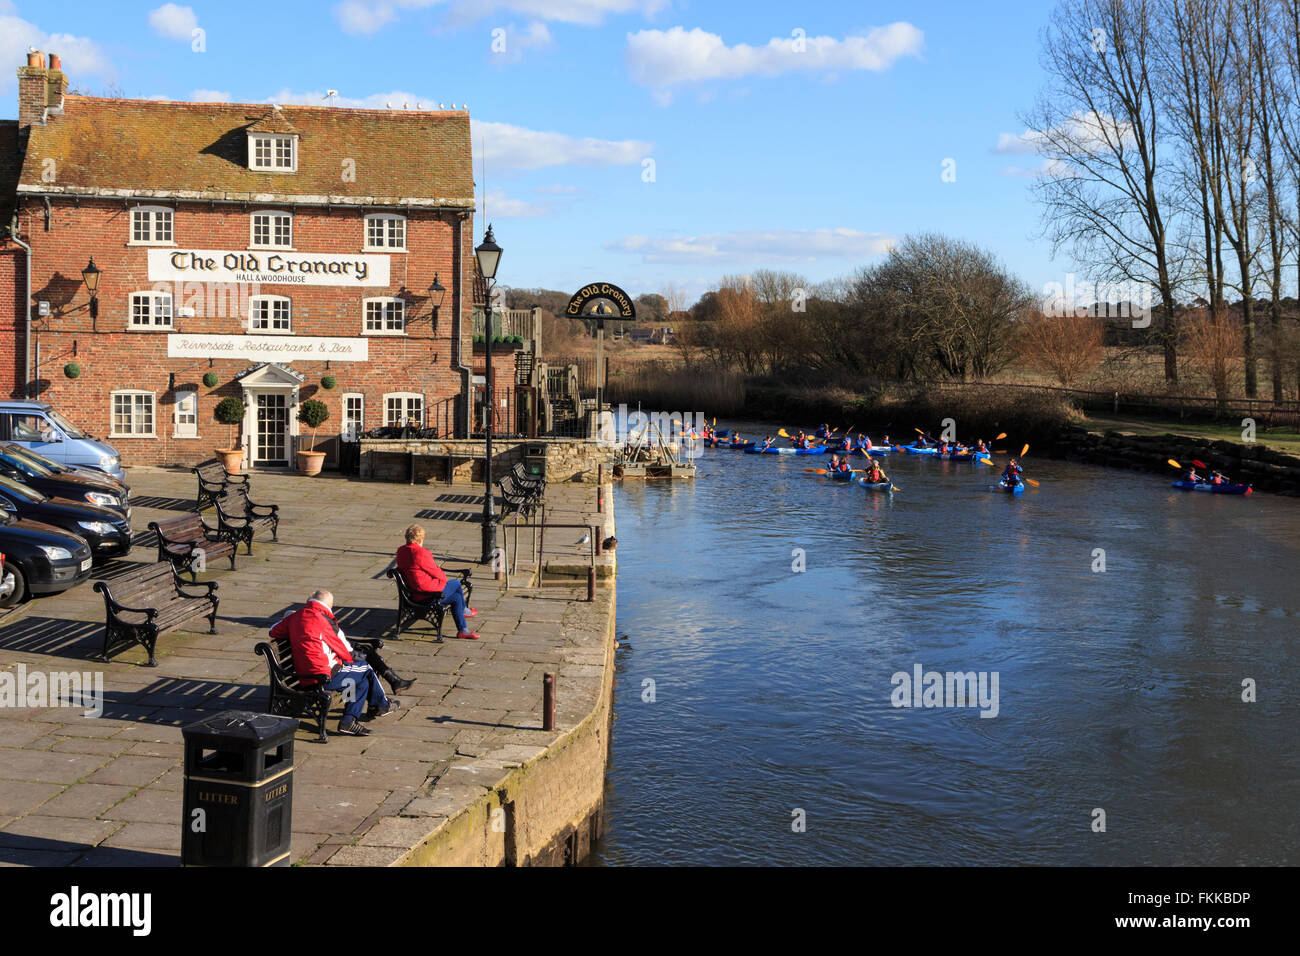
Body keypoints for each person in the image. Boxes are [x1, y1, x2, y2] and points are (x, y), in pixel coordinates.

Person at [271, 589, 406, 737]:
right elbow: (346, 653)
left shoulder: (296, 616)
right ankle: (381, 705)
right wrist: (355, 659)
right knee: (366, 669)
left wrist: (289, 617)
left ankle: (349, 721)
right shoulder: (322, 620)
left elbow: (273, 631)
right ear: (329, 606)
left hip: (305, 676)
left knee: (357, 681)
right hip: (323, 676)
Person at [395, 524, 479, 639]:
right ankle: (464, 612)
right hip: (426, 595)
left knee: (456, 598)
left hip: (412, 593)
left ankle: (463, 627)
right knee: (456, 583)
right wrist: (438, 578)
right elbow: (439, 574)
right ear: (420, 539)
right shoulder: (421, 553)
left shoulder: (401, 551)